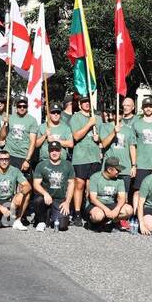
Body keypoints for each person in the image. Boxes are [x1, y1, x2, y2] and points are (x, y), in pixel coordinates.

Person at [67, 95, 101, 224]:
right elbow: (76, 136)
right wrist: (89, 124)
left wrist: (99, 139)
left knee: (91, 186)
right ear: (80, 105)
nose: (87, 104)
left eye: (88, 102)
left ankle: (89, 211)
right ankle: (77, 213)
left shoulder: (98, 118)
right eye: (84, 102)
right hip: (81, 157)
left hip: (95, 157)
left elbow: (103, 137)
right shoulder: (76, 117)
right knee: (79, 185)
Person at [30, 140, 75, 232]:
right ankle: (41, 220)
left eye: (57, 150)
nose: (54, 153)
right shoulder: (41, 165)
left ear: (60, 151)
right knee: (38, 200)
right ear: (48, 151)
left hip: (60, 200)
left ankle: (51, 215)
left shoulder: (68, 165)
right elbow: (36, 184)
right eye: (52, 150)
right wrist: (45, 193)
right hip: (46, 198)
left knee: (62, 226)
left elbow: (71, 184)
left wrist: (67, 202)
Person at [129, 97, 152, 200]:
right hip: (142, 164)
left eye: (150, 106)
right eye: (146, 106)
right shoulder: (136, 124)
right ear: (142, 108)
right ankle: (137, 210)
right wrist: (134, 165)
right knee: (138, 191)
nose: (148, 108)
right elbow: (132, 145)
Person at [0, 148, 30, 229]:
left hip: (11, 201)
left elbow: (28, 186)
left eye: (6, 159)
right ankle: (0, 219)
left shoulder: (15, 170)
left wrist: (21, 193)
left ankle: (17, 220)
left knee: (26, 194)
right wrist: (1, 208)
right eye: (1, 159)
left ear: (9, 160)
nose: (4, 162)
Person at [85, 158, 132, 231]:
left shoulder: (120, 180)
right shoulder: (95, 177)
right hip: (96, 204)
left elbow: (122, 198)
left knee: (129, 210)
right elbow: (93, 199)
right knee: (98, 216)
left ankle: (108, 222)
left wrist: (116, 210)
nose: (119, 172)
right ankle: (92, 222)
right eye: (117, 170)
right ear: (109, 169)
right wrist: (106, 210)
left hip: (111, 203)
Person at [2, 96, 39, 172]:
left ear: (27, 107)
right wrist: (4, 124)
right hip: (9, 155)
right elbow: (2, 136)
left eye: (24, 106)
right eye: (19, 106)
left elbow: (32, 142)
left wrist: (27, 160)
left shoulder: (32, 120)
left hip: (23, 157)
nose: (22, 108)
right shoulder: (10, 118)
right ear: (16, 106)